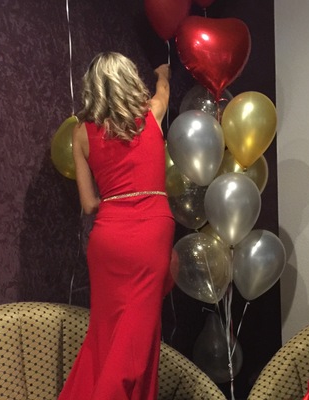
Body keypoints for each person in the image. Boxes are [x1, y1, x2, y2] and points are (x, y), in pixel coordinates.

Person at [58, 52, 175, 400]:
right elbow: (164, 89)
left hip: (108, 241)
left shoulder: (81, 133)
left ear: (92, 87)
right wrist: (162, 72)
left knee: (106, 339)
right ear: (130, 80)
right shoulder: (152, 113)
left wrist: (117, 196)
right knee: (136, 344)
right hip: (151, 235)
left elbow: (89, 204)